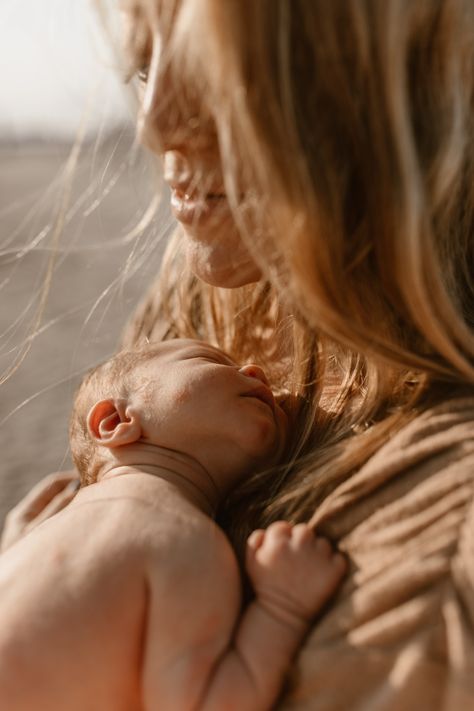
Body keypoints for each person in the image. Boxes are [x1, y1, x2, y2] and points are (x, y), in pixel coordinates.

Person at [2, 0, 474, 708]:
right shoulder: (208, 294)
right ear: (114, 424)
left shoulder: (445, 538)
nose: (152, 121)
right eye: (143, 53)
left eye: (221, 66)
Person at [0, 338, 345, 710]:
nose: (255, 371)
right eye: (209, 359)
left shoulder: (194, 545)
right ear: (117, 422)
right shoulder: (184, 537)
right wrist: (282, 609)